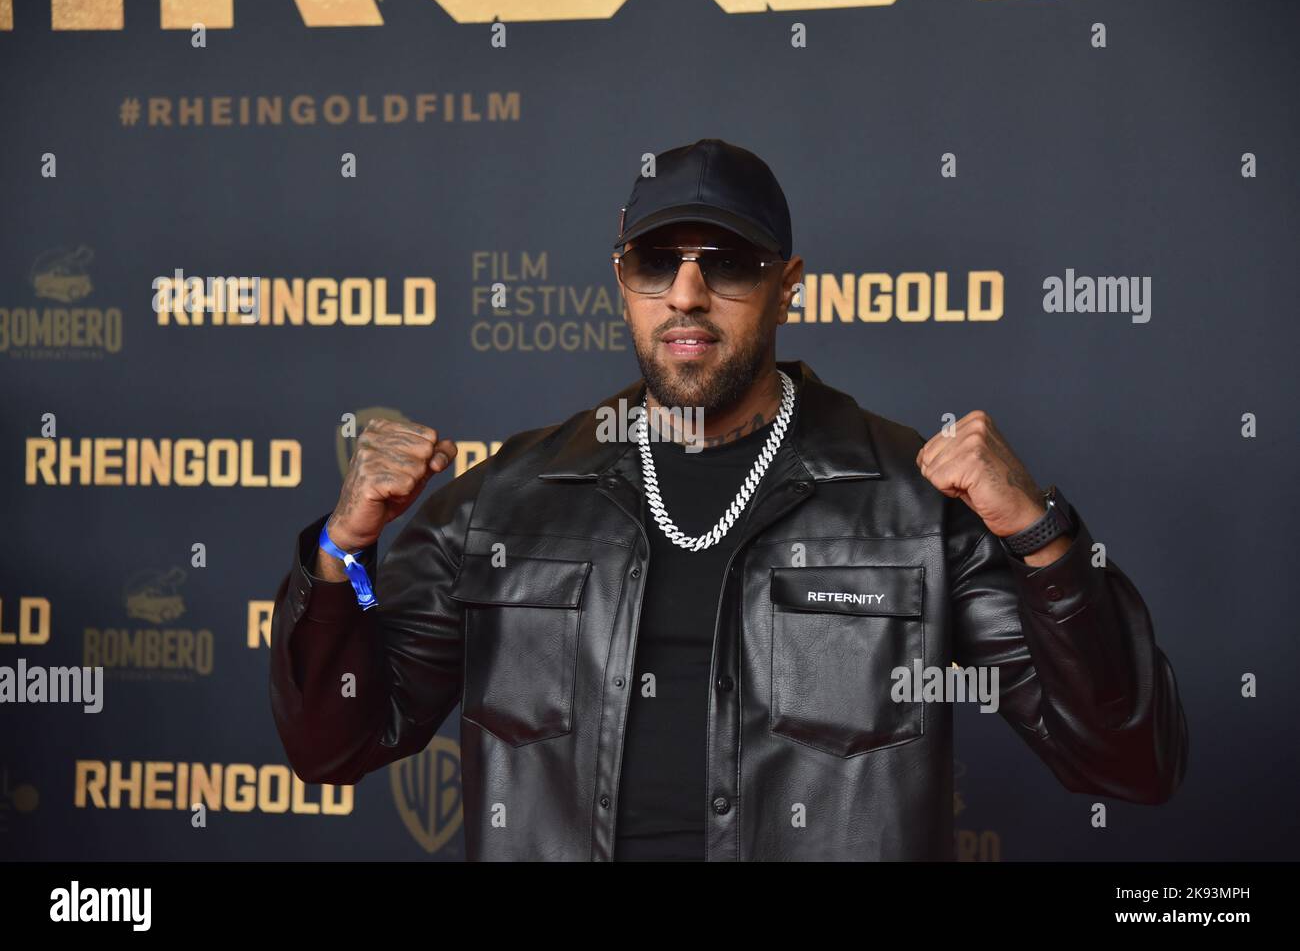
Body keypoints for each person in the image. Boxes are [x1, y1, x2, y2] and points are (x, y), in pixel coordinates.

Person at [268, 138, 1187, 861]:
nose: (689, 294)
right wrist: (343, 556)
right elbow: (340, 742)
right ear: (621, 279)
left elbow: (1125, 758)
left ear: (788, 284)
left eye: (731, 263)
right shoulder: (506, 498)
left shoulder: (915, 502)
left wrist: (1040, 536)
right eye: (657, 260)